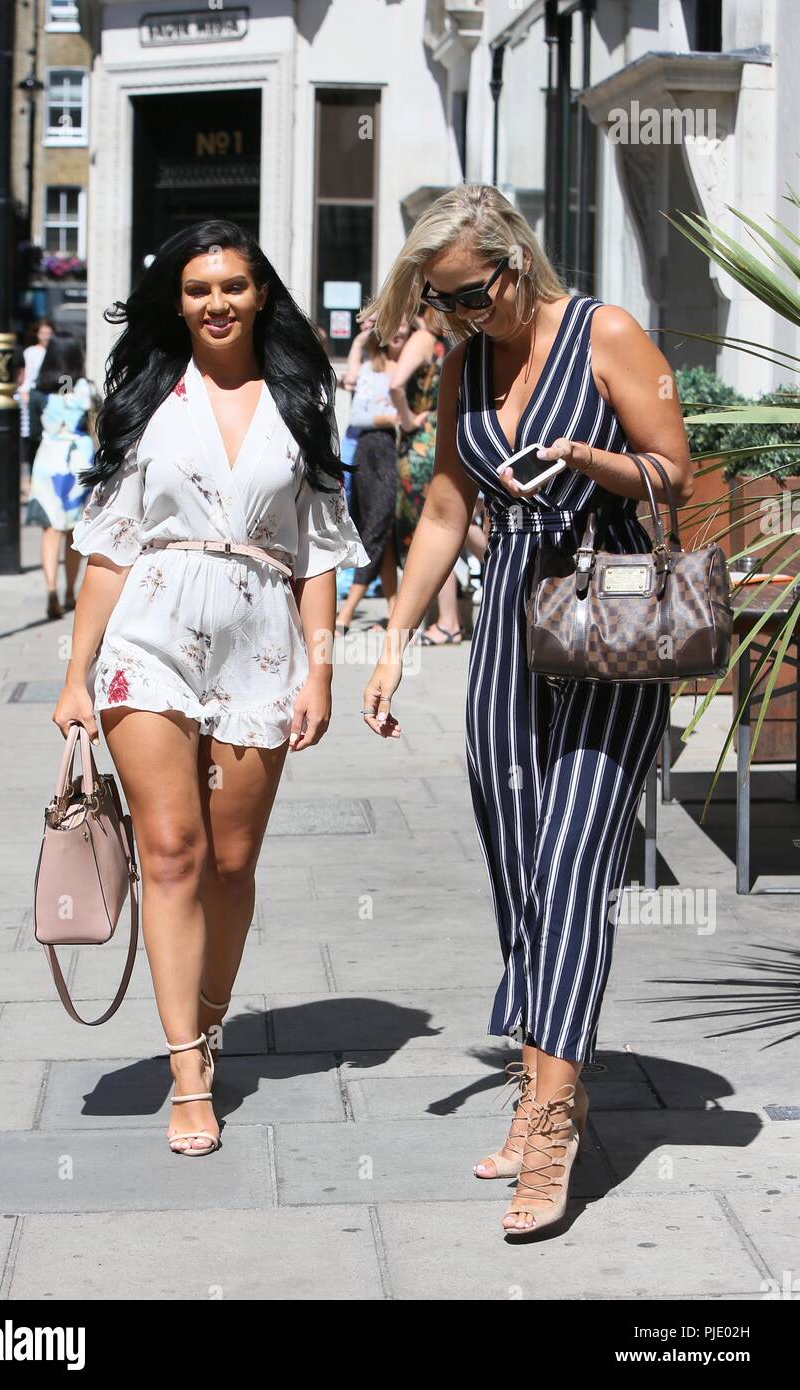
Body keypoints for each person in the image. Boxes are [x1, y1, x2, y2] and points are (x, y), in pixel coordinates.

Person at [360, 184, 693, 1237]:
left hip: (605, 621)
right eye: (437, 302)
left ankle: (549, 1118)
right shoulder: (464, 359)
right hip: (507, 623)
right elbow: (447, 508)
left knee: (569, 864)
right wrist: (395, 636)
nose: (453, 317)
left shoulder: (606, 332)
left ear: (513, 264)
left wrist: (590, 461)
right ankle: (548, 1075)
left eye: (464, 295)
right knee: (517, 866)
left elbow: (673, 475)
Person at [51, 220, 368, 1157]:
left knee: (231, 864)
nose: (216, 303)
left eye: (232, 285)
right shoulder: (146, 394)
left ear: (260, 292)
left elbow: (317, 553)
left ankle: (213, 1017)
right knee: (175, 851)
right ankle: (187, 1067)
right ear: (177, 303)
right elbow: (108, 549)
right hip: (148, 640)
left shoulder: (305, 397)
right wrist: (75, 675)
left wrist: (320, 669)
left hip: (262, 647)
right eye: (197, 290)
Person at [388, 305, 469, 645]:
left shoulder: (422, 338)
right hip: (442, 437)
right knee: (445, 523)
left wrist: (406, 420)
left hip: (419, 445)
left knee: (426, 531)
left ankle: (446, 621)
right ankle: (447, 619)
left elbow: (395, 385)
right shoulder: (443, 344)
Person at [334, 321, 411, 634]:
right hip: (373, 450)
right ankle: (363, 613)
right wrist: (396, 417)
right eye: (395, 324)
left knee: (384, 531)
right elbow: (358, 417)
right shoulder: (371, 367)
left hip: (402, 454)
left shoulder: (413, 368)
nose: (399, 331)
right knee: (377, 528)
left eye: (405, 326)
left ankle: (370, 612)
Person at [25, 331, 95, 619]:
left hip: (48, 461)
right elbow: (95, 425)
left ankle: (51, 588)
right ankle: (69, 593)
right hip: (79, 460)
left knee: (50, 528)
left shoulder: (39, 392)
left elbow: (30, 433)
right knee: (74, 532)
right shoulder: (86, 388)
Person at [21, 319, 55, 470]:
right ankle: (32, 467)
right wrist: (25, 391)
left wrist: (66, 392)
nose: (46, 336)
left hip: (52, 392)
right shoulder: (30, 352)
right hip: (35, 391)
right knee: (33, 432)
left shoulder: (57, 351)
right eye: (43, 333)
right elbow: (28, 374)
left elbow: (65, 376)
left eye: (48, 333)